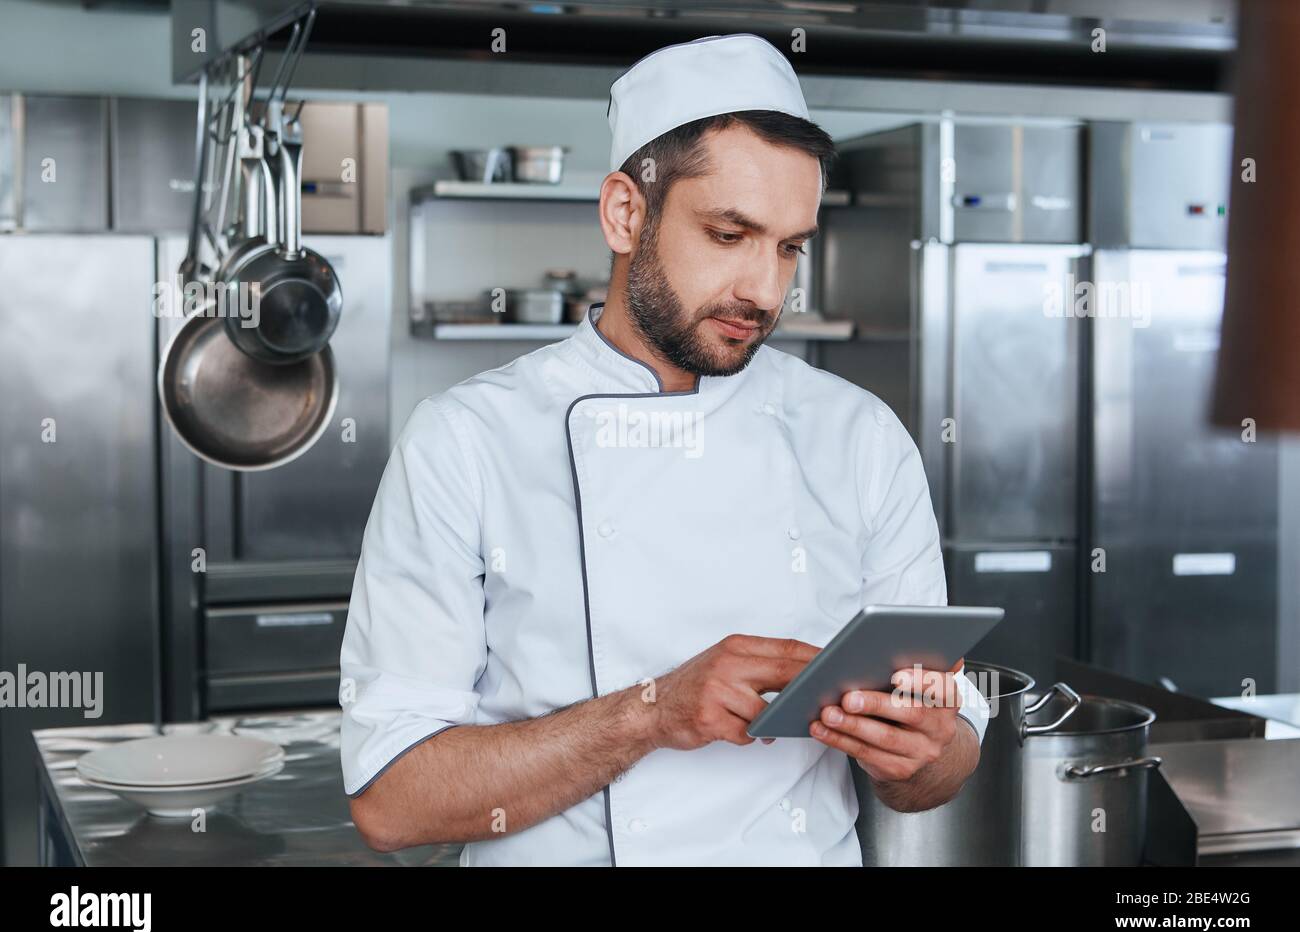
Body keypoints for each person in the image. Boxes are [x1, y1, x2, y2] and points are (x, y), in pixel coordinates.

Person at [340, 32, 989, 866]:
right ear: (625, 212)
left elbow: (943, 749)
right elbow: (391, 803)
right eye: (729, 235)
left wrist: (929, 754)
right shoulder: (466, 442)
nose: (764, 289)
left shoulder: (861, 439)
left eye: (790, 247)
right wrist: (651, 713)